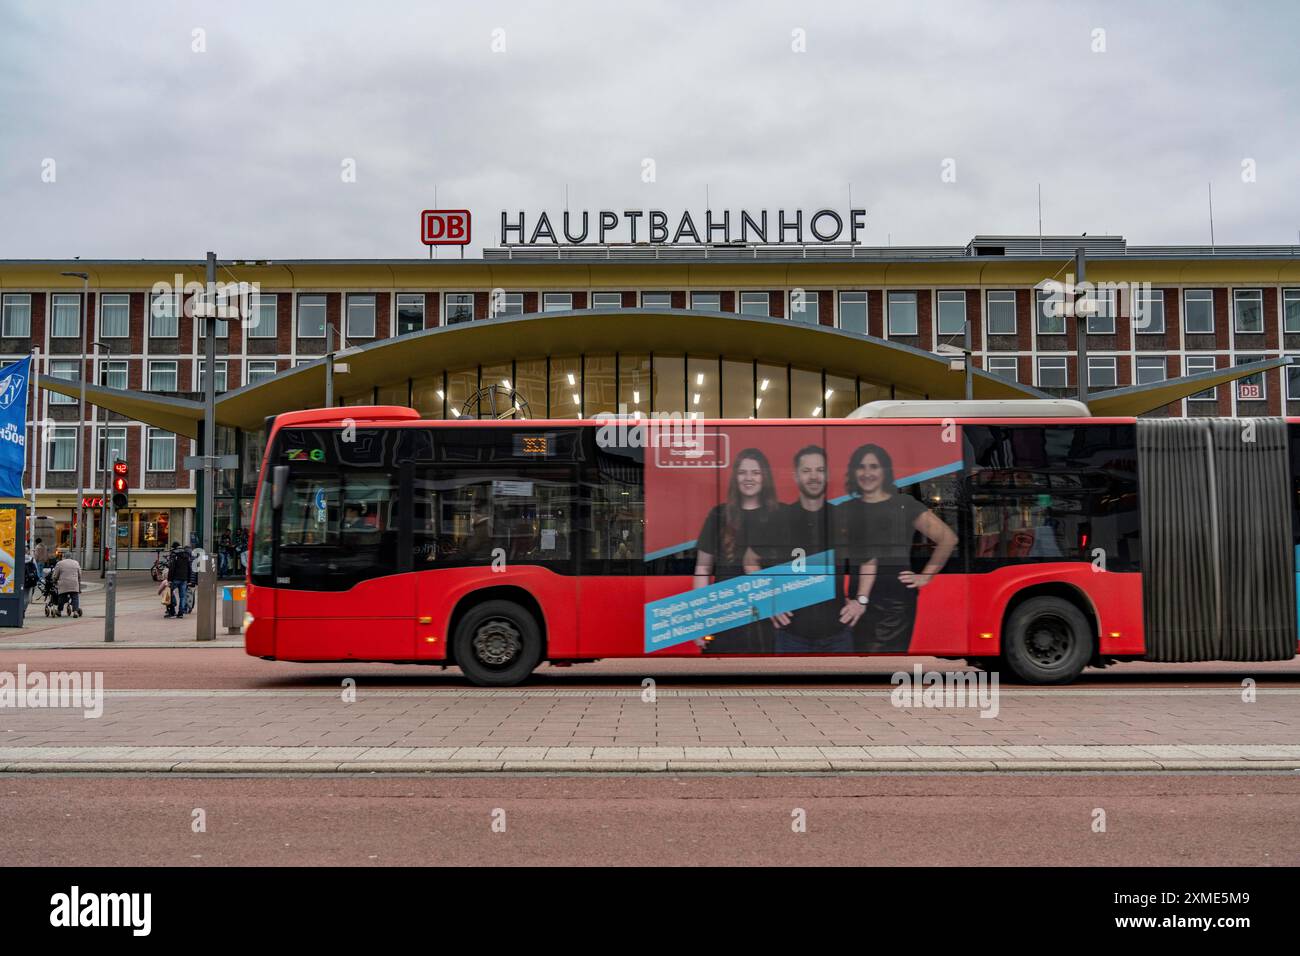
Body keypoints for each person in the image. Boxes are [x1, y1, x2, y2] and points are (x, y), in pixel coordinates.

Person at [842, 443, 958, 653]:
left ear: (885, 471)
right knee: (861, 659)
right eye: (861, 467)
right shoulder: (846, 508)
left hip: (895, 604)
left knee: (877, 657)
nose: (867, 473)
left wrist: (925, 576)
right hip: (857, 598)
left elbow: (948, 538)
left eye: (874, 466)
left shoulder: (904, 504)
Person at [770, 445, 873, 654]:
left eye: (819, 470)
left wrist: (861, 601)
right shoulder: (781, 518)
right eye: (806, 471)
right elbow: (750, 559)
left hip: (838, 636)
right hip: (791, 636)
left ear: (827, 475)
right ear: (796, 476)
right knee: (787, 689)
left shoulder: (842, 517)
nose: (813, 476)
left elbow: (869, 559)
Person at [692, 447, 782, 654]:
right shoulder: (719, 515)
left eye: (755, 472)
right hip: (724, 612)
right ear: (735, 478)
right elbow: (703, 569)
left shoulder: (779, 515)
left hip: (766, 615)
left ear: (764, 477)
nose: (748, 478)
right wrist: (700, 617)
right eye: (742, 472)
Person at [51, 549, 83, 617]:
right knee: (75, 597)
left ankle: (59, 611)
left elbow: (55, 575)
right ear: (71, 557)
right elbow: (80, 574)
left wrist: (54, 580)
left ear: (64, 556)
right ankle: (75, 612)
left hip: (63, 584)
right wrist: (78, 582)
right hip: (74, 583)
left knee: (61, 597)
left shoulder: (60, 563)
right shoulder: (76, 563)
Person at [167, 542, 193, 619]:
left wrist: (169, 579)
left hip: (175, 578)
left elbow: (171, 568)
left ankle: (172, 610)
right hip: (184, 579)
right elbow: (189, 568)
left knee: (169, 592)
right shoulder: (186, 554)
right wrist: (189, 579)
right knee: (183, 596)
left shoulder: (174, 555)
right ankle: (180, 612)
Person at [22, 553, 39, 617]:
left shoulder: (18, 559)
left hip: (20, 581)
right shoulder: (31, 561)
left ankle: (20, 610)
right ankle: (23, 610)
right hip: (29, 581)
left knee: (21, 597)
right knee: (26, 597)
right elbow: (36, 571)